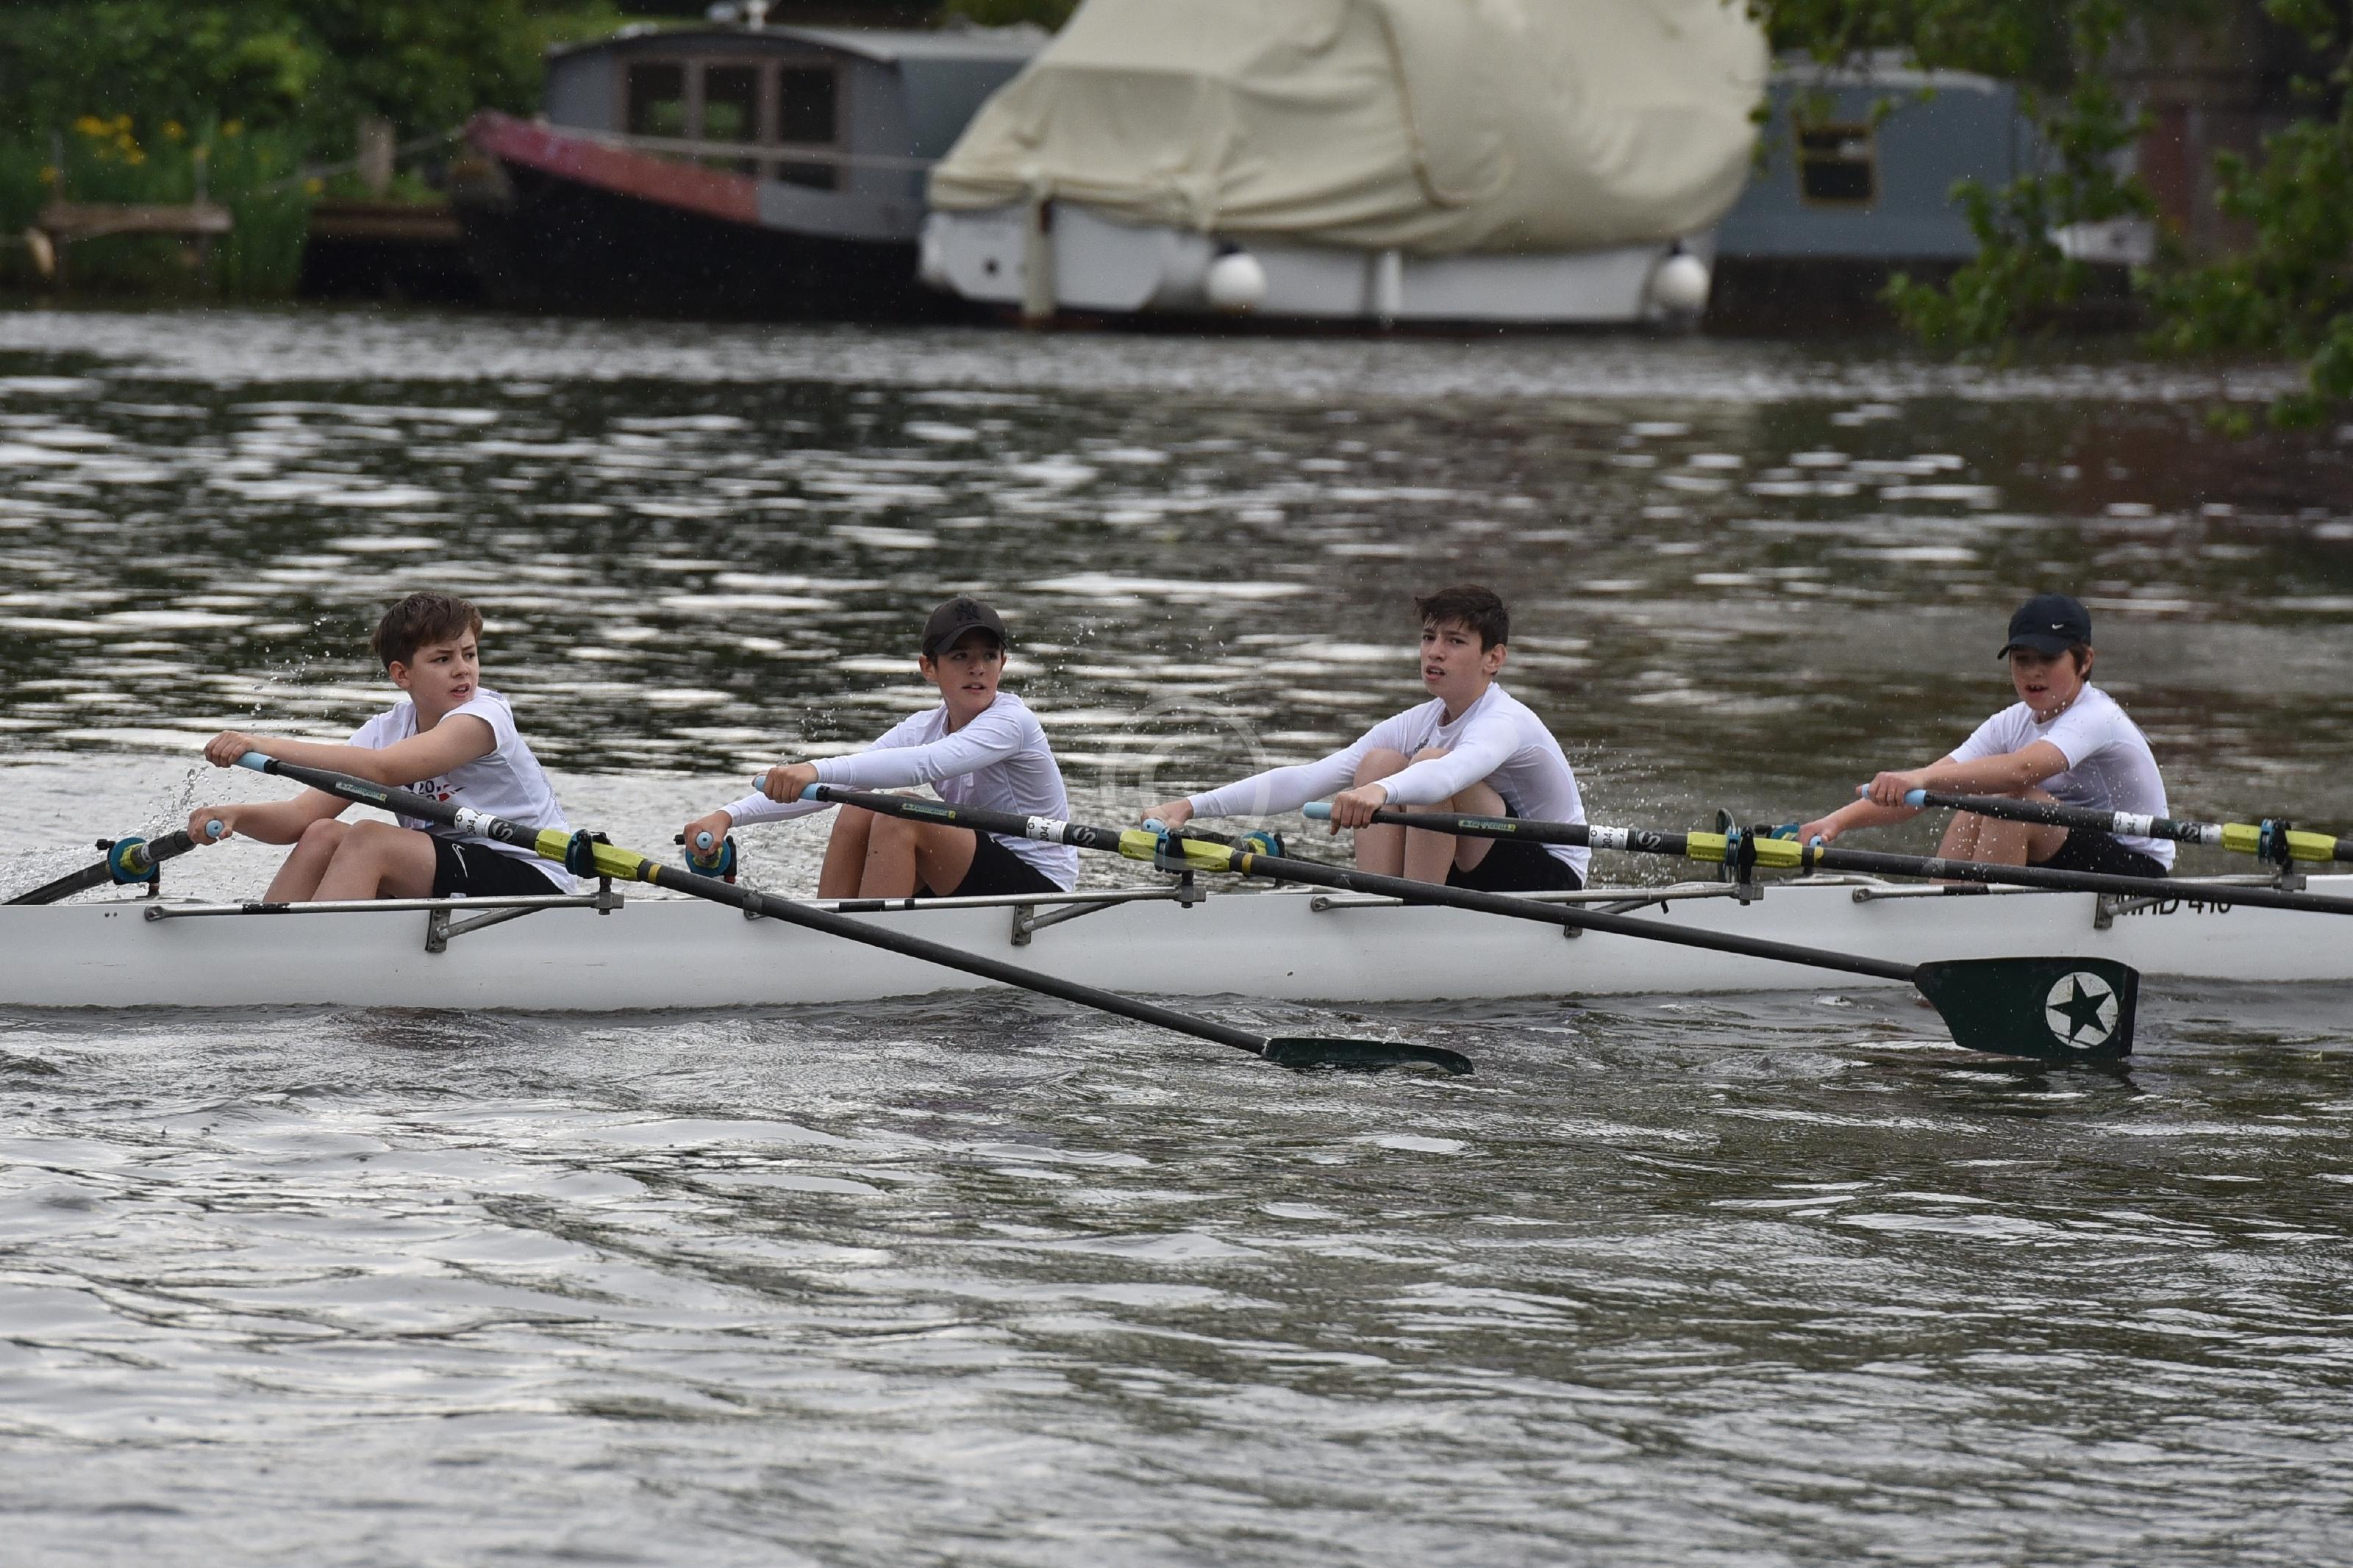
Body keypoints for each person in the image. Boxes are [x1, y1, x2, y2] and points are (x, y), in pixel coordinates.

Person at [1144, 584, 1588, 891]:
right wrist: (1189, 806)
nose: (1434, 651)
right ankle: (1382, 903)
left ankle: (1415, 911)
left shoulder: (1505, 721)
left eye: (1455, 641)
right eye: (1429, 637)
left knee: (1426, 763)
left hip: (1551, 879)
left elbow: (1446, 775)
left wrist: (1379, 793)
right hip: (1470, 863)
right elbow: (1308, 780)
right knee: (1376, 762)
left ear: (1494, 658)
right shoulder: (1420, 718)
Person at [684, 596, 1078, 899]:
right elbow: (847, 784)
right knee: (859, 804)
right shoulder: (924, 726)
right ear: (929, 668)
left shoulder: (1012, 722)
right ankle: (826, 932)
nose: (978, 668)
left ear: (1003, 663)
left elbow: (925, 765)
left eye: (989, 657)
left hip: (1041, 892)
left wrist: (816, 770)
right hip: (981, 870)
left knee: (901, 814)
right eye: (960, 656)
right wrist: (726, 816)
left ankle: (862, 951)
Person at [187, 592, 574, 900]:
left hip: (533, 875)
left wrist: (260, 744)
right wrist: (235, 814)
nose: (463, 669)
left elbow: (385, 770)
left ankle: (306, 964)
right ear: (401, 674)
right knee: (322, 833)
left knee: (370, 839)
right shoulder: (387, 730)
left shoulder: (484, 718)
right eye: (443, 659)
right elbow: (298, 817)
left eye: (469, 654)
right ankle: (263, 948)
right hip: (453, 868)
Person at [1795, 593, 2172, 878]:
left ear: (2085, 661)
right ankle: (1944, 907)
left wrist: (1920, 777)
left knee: (2011, 799)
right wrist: (1835, 823)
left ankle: (1979, 924)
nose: (2033, 673)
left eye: (2048, 659)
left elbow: (2020, 771)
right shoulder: (2011, 722)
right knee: (1976, 795)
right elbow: (1924, 793)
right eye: (2023, 660)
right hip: (2073, 851)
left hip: (2137, 870)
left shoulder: (2098, 715)